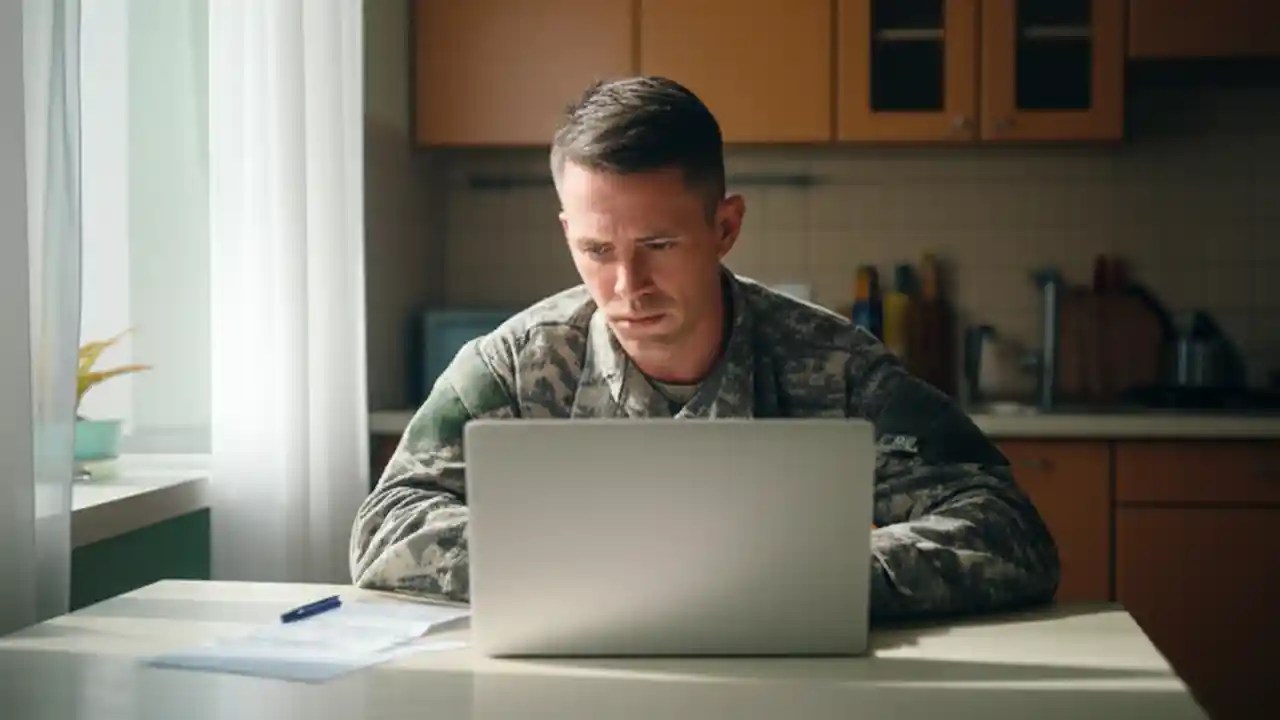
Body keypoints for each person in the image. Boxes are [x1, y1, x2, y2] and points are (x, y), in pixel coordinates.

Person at [349, 76, 1059, 621]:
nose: (627, 286)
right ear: (567, 231)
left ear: (725, 227)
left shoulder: (835, 367)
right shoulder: (514, 366)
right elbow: (386, 528)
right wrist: (594, 565)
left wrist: (812, 576)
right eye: (596, 250)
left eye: (658, 245)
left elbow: (1007, 529)